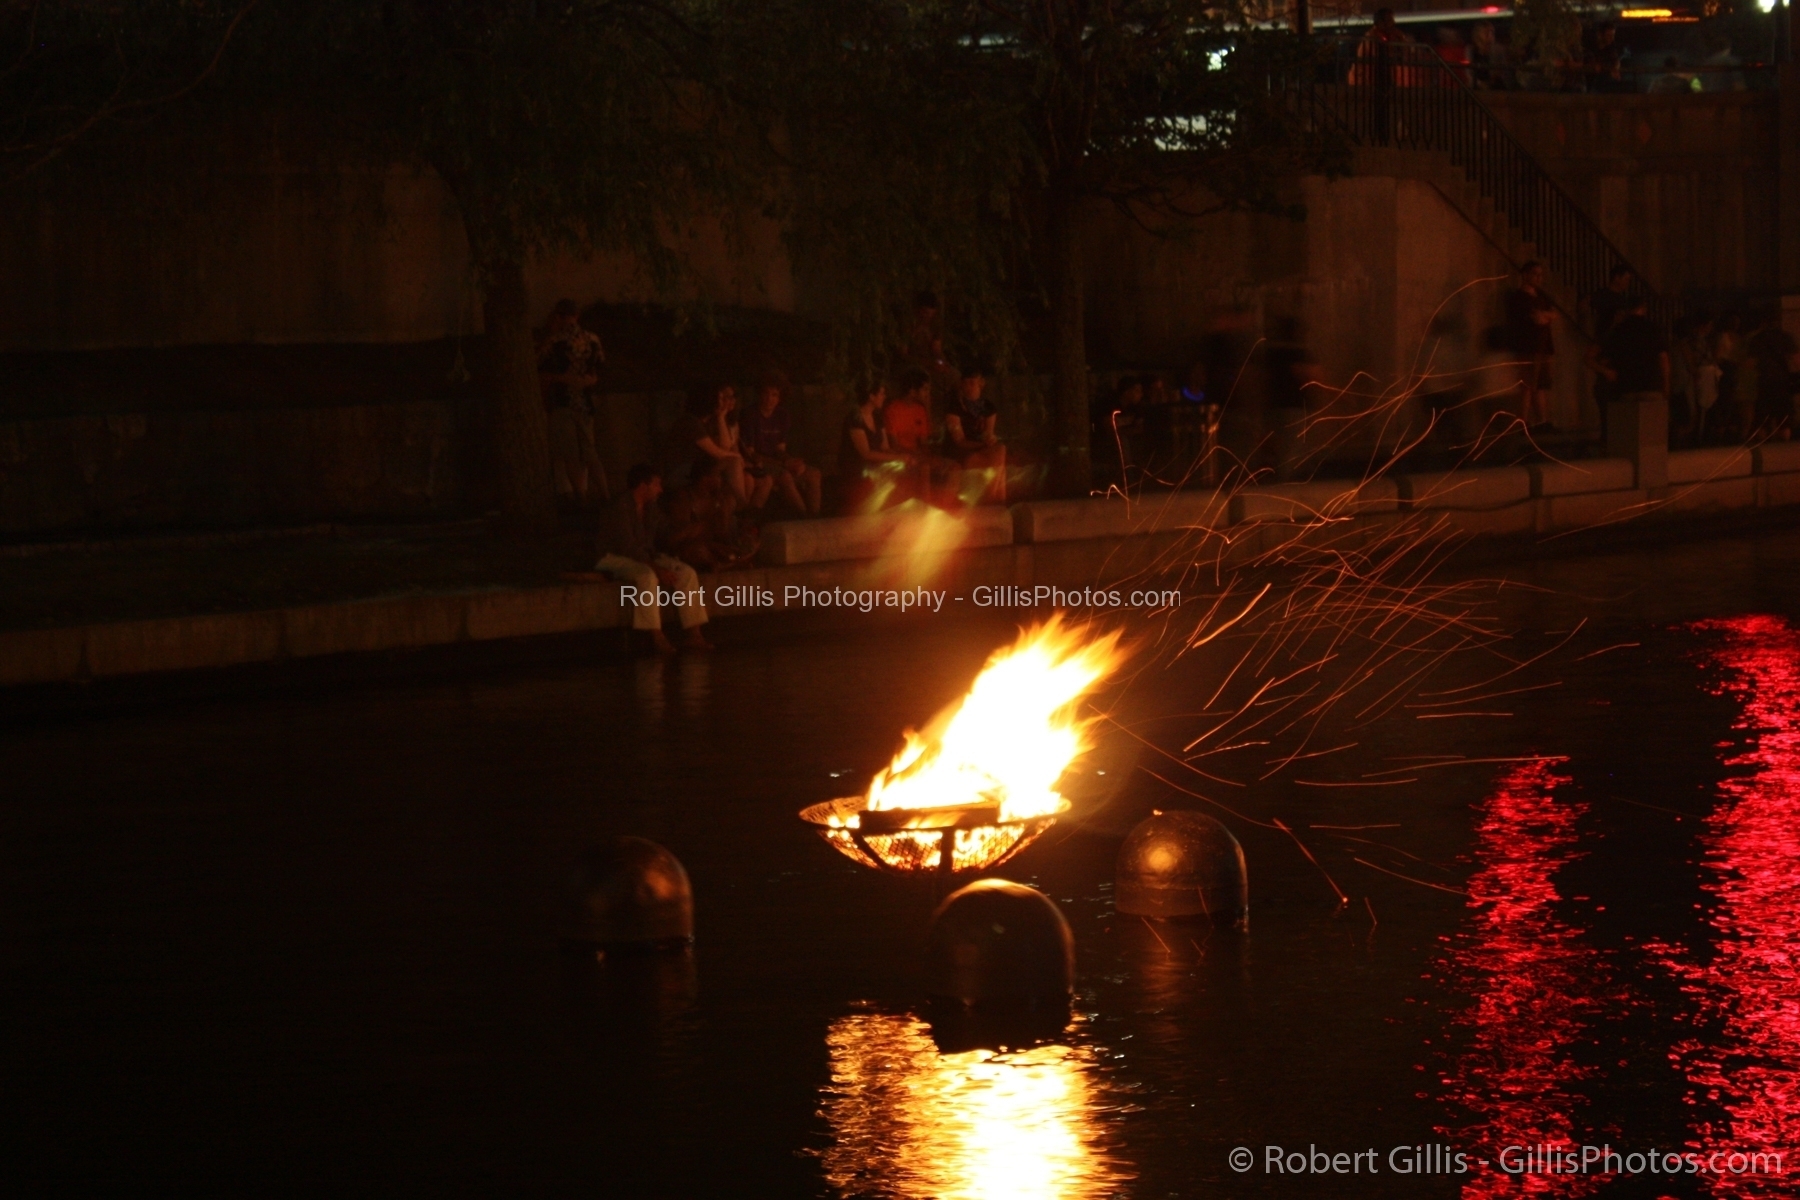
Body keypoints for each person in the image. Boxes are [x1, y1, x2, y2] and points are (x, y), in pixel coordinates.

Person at [595, 463, 711, 654]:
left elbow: (665, 532)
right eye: (657, 484)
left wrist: (689, 532)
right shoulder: (620, 507)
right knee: (647, 576)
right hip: (612, 557)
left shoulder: (651, 508)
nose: (660, 489)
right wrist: (659, 570)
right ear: (643, 485)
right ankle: (656, 635)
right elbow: (628, 548)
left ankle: (694, 634)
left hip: (643, 555)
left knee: (686, 573)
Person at [537, 299, 609, 507]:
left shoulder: (554, 342)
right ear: (577, 316)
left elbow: (538, 365)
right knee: (590, 450)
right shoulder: (593, 340)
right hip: (585, 401)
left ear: (558, 317)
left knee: (570, 452)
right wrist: (587, 380)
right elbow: (600, 366)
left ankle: (581, 496)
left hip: (562, 401)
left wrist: (559, 378)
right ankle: (605, 495)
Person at [740, 372, 823, 516]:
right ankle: (803, 516)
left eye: (774, 395)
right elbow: (751, 454)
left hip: (778, 463)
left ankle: (816, 516)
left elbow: (780, 449)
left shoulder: (782, 415)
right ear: (759, 393)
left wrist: (789, 460)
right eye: (766, 393)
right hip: (759, 465)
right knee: (785, 477)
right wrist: (783, 464)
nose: (769, 399)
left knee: (814, 474)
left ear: (780, 397)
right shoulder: (750, 415)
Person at [663, 455, 759, 571]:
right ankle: (722, 565)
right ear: (705, 479)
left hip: (710, 545)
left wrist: (723, 510)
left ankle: (729, 561)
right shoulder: (684, 498)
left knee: (738, 550)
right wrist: (703, 527)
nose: (721, 480)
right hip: (688, 547)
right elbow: (677, 537)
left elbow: (722, 534)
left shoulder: (716, 498)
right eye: (718, 475)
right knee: (699, 552)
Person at [667, 382, 752, 509]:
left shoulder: (705, 423)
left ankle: (741, 509)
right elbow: (716, 452)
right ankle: (744, 506)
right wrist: (736, 456)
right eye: (719, 399)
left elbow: (725, 446)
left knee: (740, 476)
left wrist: (721, 417)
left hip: (697, 468)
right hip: (681, 471)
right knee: (733, 461)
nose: (722, 402)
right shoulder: (690, 423)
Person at [883, 366, 961, 505]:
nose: (927, 393)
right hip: (901, 457)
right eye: (925, 389)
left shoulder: (920, 409)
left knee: (954, 466)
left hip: (919, 455)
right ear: (913, 390)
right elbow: (894, 445)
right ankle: (925, 508)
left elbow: (925, 441)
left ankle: (945, 505)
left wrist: (927, 408)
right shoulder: (893, 409)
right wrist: (917, 456)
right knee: (924, 467)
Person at [1596, 297, 1669, 442]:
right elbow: (1663, 360)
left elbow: (1605, 358)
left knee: (1629, 438)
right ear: (1644, 308)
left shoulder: (1619, 330)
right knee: (1652, 439)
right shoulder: (1653, 328)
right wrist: (1666, 386)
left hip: (1627, 389)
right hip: (1651, 387)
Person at [838, 381, 910, 512]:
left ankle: (900, 512)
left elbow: (885, 447)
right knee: (892, 472)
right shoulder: (855, 418)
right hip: (857, 466)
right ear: (871, 396)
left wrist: (902, 455)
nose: (884, 397)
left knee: (907, 468)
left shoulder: (877, 417)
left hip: (875, 462)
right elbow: (865, 454)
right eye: (881, 393)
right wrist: (897, 458)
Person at [1263, 317, 1320, 481]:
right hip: (1295, 413)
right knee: (1293, 455)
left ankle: (1283, 483)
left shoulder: (1271, 354)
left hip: (1274, 412)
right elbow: (1314, 378)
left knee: (1282, 454)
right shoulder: (1298, 354)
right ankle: (1290, 487)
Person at [942, 361, 1006, 504]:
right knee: (975, 460)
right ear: (962, 385)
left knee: (1000, 450)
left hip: (979, 446)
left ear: (981, 383)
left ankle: (995, 496)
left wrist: (989, 439)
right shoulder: (955, 407)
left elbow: (988, 433)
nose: (969, 387)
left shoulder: (988, 408)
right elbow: (959, 441)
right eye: (966, 383)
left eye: (973, 383)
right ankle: (993, 499)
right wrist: (982, 444)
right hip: (959, 450)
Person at [1584, 266, 1635, 438]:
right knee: (1608, 413)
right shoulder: (1605, 336)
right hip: (1607, 372)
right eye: (1626, 278)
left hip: (1617, 371)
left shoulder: (1621, 337)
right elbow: (1589, 358)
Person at [1506, 261, 1557, 431]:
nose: (1539, 278)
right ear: (1525, 275)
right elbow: (1538, 319)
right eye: (1535, 274)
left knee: (1540, 385)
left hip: (1542, 347)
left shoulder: (1541, 298)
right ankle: (1522, 422)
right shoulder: (1518, 298)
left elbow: (1552, 315)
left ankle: (1542, 421)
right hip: (1527, 347)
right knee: (1527, 386)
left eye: (1540, 275)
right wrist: (1544, 316)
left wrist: (1545, 316)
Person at [1745, 311, 1800, 440]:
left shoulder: (1758, 338)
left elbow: (1750, 363)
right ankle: (1783, 444)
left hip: (1764, 380)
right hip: (1782, 380)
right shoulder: (1785, 337)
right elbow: (1797, 360)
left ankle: (1763, 442)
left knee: (1762, 416)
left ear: (1764, 322)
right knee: (1784, 416)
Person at [1467, 22, 1511, 90]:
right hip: (1476, 87)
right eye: (1486, 33)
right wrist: (1480, 84)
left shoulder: (1498, 50)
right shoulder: (1470, 50)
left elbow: (1504, 71)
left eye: (1492, 33)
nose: (1490, 36)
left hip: (1496, 87)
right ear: (1478, 34)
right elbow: (1469, 72)